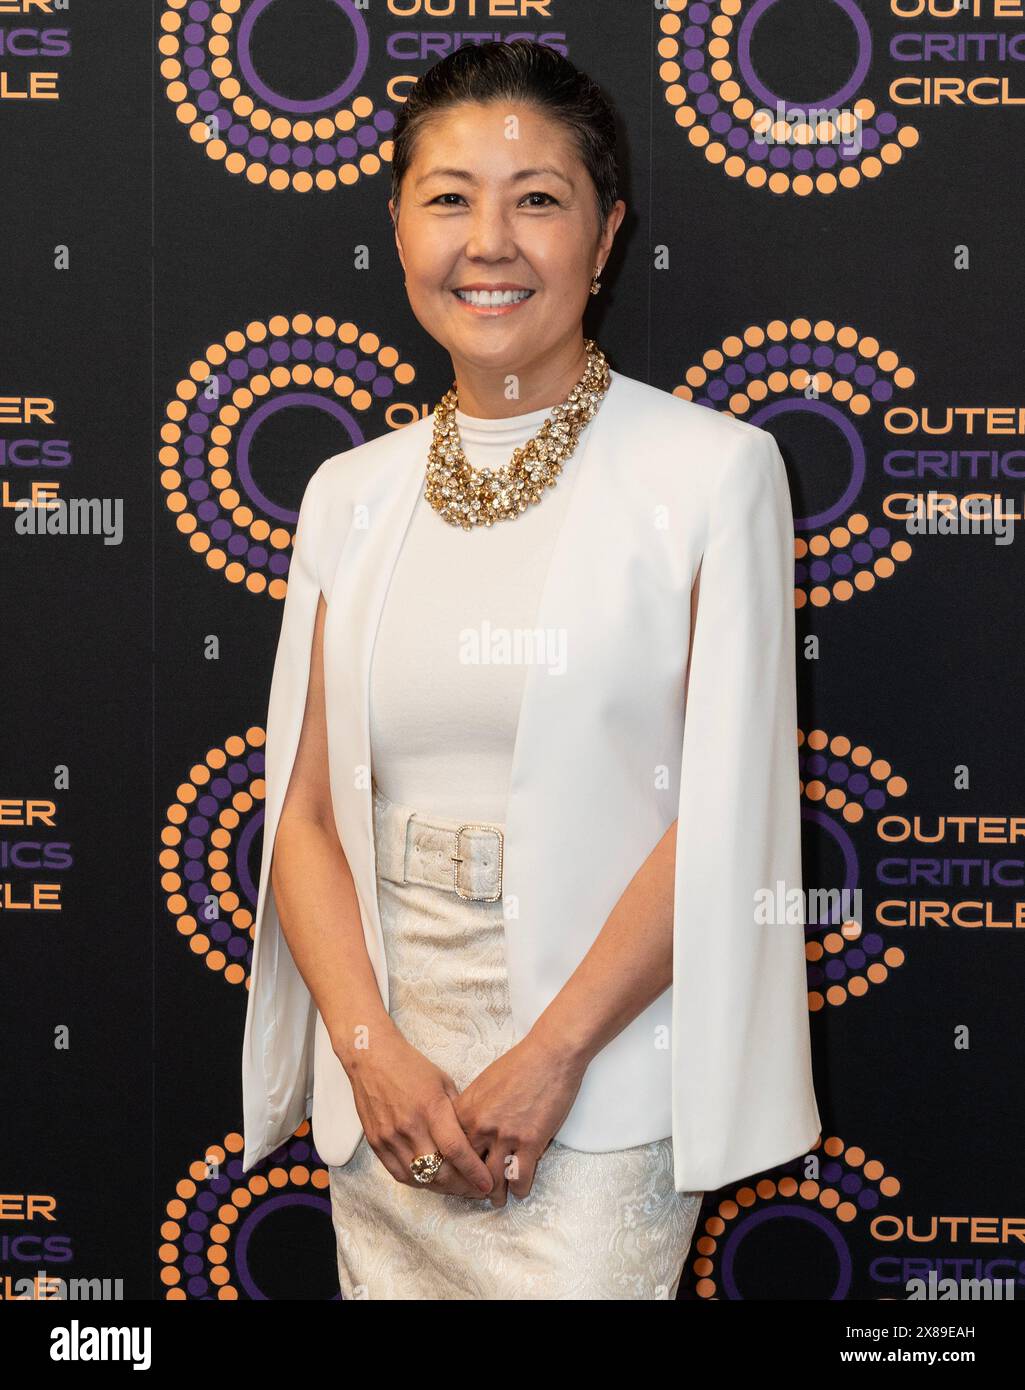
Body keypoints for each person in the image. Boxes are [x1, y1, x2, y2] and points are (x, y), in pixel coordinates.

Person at [241, 39, 820, 1301]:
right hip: (387, 1069)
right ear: (396, 226)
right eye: (447, 197)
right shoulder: (350, 492)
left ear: (604, 237)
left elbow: (720, 817)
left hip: (598, 1076)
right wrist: (366, 1050)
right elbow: (311, 819)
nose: (487, 241)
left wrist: (551, 1055)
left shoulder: (710, 474)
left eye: (537, 199)